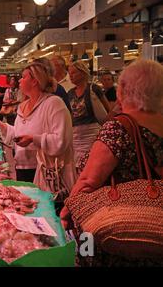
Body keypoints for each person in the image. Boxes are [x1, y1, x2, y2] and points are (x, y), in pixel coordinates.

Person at [61, 59, 163, 266]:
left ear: (122, 91)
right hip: (156, 229)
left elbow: (88, 181)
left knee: (88, 252)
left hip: (115, 233)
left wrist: (67, 212)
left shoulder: (118, 128)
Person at [0, 62, 76, 209]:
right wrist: (3, 126)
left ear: (35, 81)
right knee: (28, 210)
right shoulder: (23, 105)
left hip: (46, 171)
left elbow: (61, 140)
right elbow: (20, 134)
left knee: (47, 212)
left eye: (23, 77)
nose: (19, 80)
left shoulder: (54, 104)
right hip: (22, 167)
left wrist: (34, 139)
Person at [68, 61, 110, 172]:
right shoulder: (70, 93)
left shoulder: (93, 88)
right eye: (69, 73)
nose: (70, 76)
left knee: (92, 164)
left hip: (92, 132)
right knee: (77, 166)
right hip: (76, 135)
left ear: (82, 73)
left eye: (73, 73)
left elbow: (107, 108)